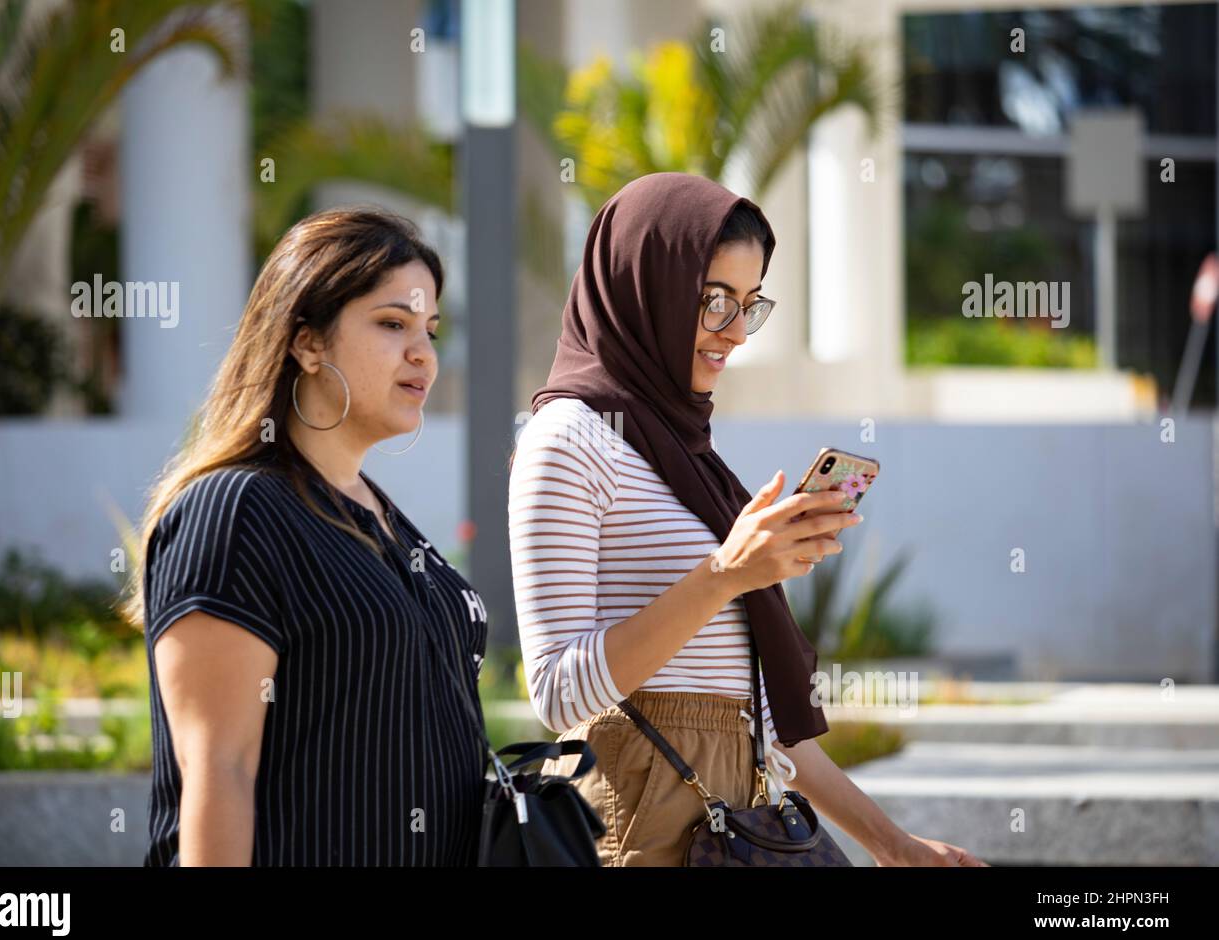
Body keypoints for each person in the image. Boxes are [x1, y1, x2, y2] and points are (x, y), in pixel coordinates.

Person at [508, 172, 984, 867]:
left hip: (734, 808)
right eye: (712, 302)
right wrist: (726, 573)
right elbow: (557, 693)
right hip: (640, 822)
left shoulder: (686, 454)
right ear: (647, 287)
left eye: (750, 304)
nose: (734, 333)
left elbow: (765, 729)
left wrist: (895, 846)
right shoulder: (567, 438)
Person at [122, 207, 488, 866]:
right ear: (307, 343)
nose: (422, 354)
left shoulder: (384, 520)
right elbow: (221, 770)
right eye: (391, 324)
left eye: (429, 329)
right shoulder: (235, 511)